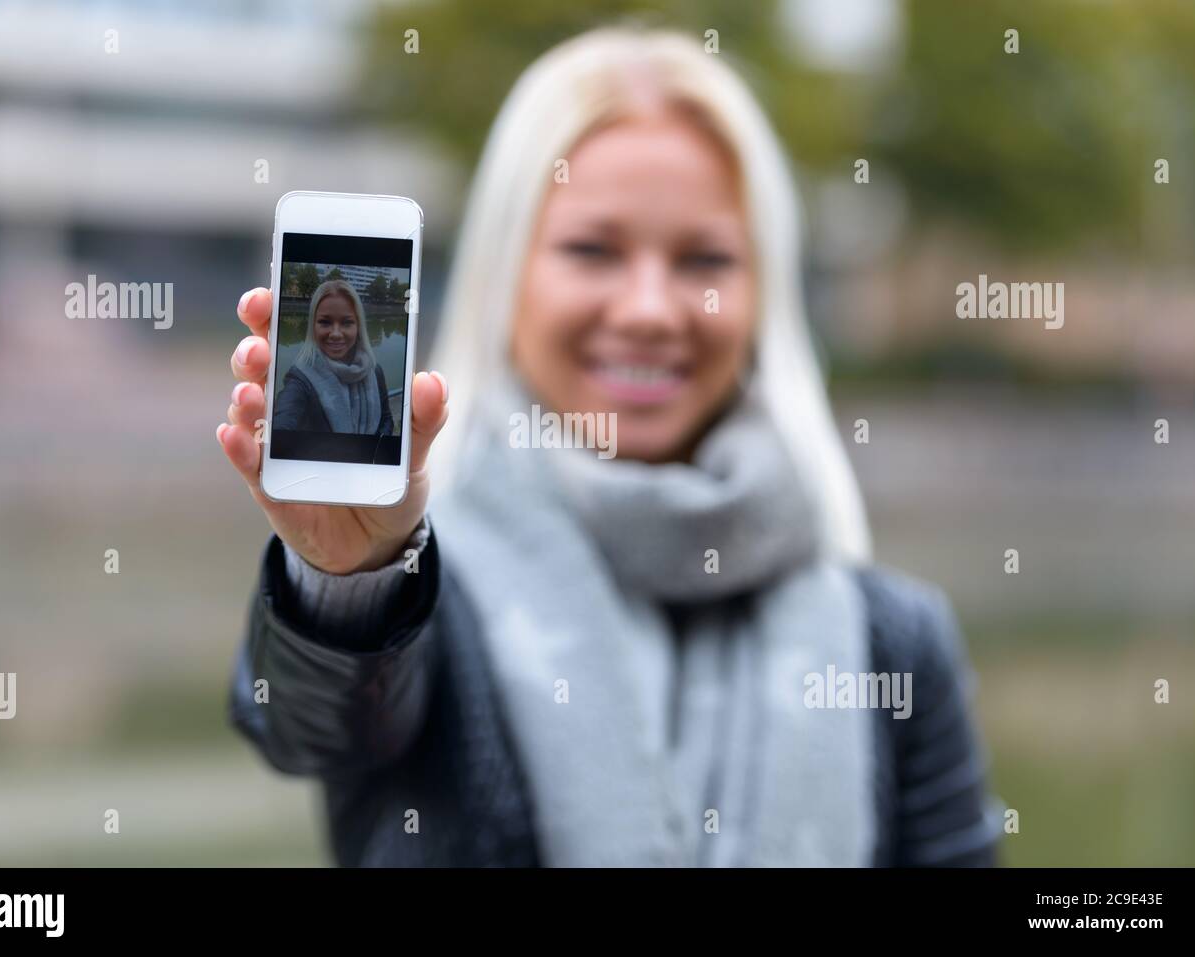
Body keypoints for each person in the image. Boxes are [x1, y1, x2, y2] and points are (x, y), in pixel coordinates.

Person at [217, 26, 1002, 866]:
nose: (650, 310)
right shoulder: (418, 601)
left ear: (762, 295)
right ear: (505, 275)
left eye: (703, 258)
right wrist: (350, 585)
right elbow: (306, 726)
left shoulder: (895, 640)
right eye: (593, 250)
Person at [271, 278, 393, 437]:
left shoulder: (375, 370)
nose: (336, 334)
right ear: (313, 327)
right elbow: (283, 422)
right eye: (325, 322)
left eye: (347, 323)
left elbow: (386, 419)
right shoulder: (300, 378)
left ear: (358, 327)